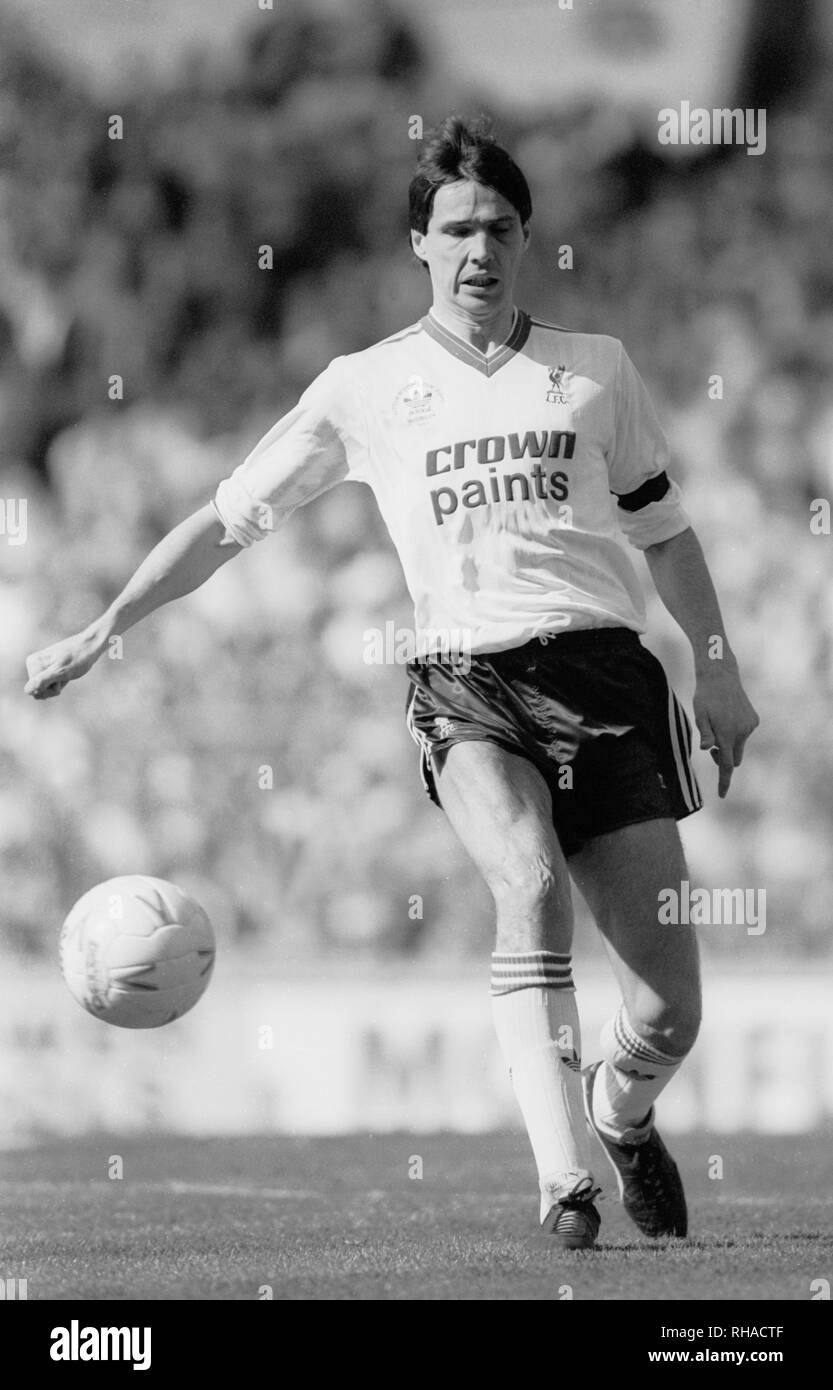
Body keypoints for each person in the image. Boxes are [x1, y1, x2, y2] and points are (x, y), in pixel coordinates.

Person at [25, 116, 759, 1250]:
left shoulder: (594, 368)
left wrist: (714, 672)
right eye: (457, 227)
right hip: (466, 679)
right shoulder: (362, 387)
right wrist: (103, 625)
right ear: (419, 241)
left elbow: (666, 532)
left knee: (667, 1010)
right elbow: (225, 524)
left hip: (608, 675)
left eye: (501, 228)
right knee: (524, 882)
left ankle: (619, 1116)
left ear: (526, 240)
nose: (480, 247)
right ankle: (563, 1185)